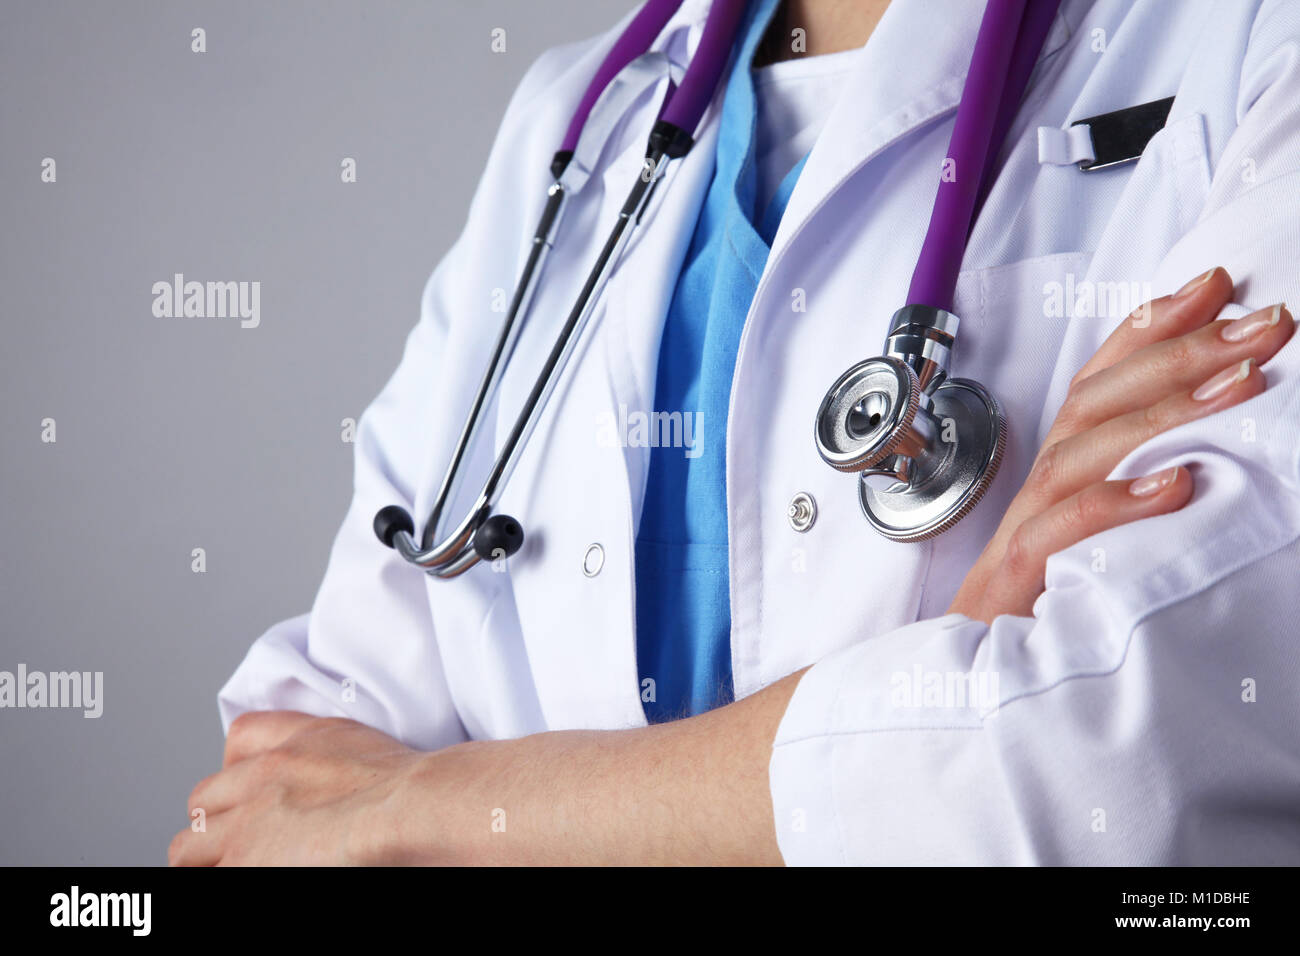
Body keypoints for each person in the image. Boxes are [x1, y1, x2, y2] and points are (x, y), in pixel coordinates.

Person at [170, 0, 1300, 865]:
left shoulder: (1249, 46)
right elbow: (281, 791)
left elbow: (1107, 757)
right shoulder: (585, 119)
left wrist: (422, 805)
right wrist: (914, 720)